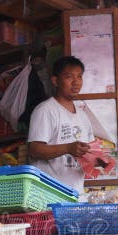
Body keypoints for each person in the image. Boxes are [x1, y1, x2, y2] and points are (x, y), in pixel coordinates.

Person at [27, 56, 94, 196]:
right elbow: (34, 149)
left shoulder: (83, 116)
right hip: (48, 195)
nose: (76, 82)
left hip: (76, 195)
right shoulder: (46, 110)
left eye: (79, 77)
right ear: (55, 80)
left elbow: (88, 153)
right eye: (69, 77)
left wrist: (98, 159)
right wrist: (67, 148)